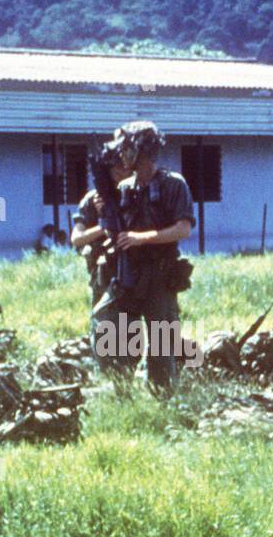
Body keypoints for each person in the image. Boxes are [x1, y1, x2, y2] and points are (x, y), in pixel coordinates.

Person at [91, 121, 194, 391]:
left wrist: (143, 238)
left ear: (142, 151)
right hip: (129, 275)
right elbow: (117, 234)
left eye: (127, 148)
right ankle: (120, 390)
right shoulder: (124, 188)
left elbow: (183, 228)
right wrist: (105, 214)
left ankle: (163, 402)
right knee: (111, 329)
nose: (122, 155)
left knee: (162, 346)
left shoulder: (174, 184)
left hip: (160, 275)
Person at [72, 158, 133, 306]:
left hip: (135, 268)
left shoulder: (136, 195)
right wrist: (104, 224)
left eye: (125, 167)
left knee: (131, 325)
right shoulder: (92, 200)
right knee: (103, 322)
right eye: (116, 166)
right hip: (103, 272)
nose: (121, 171)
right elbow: (77, 239)